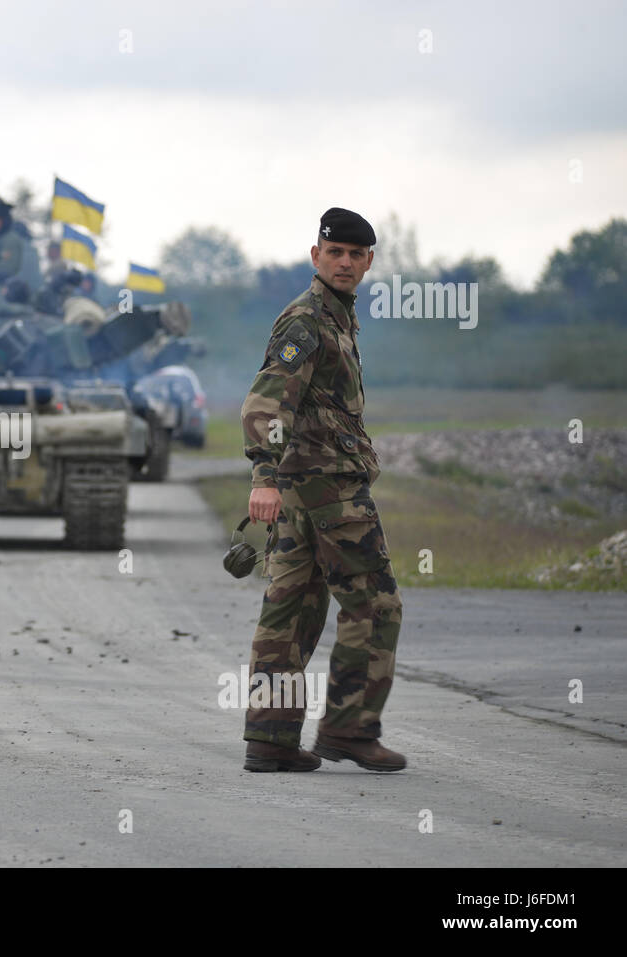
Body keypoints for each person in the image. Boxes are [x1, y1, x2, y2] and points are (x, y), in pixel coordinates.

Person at [239, 207, 406, 774]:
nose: (345, 263)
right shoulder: (307, 321)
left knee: (292, 611)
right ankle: (349, 731)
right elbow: (266, 404)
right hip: (327, 489)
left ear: (368, 263)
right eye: (335, 253)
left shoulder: (336, 317)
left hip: (303, 489)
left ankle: (271, 739)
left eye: (355, 255)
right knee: (375, 605)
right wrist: (264, 476)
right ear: (316, 255)